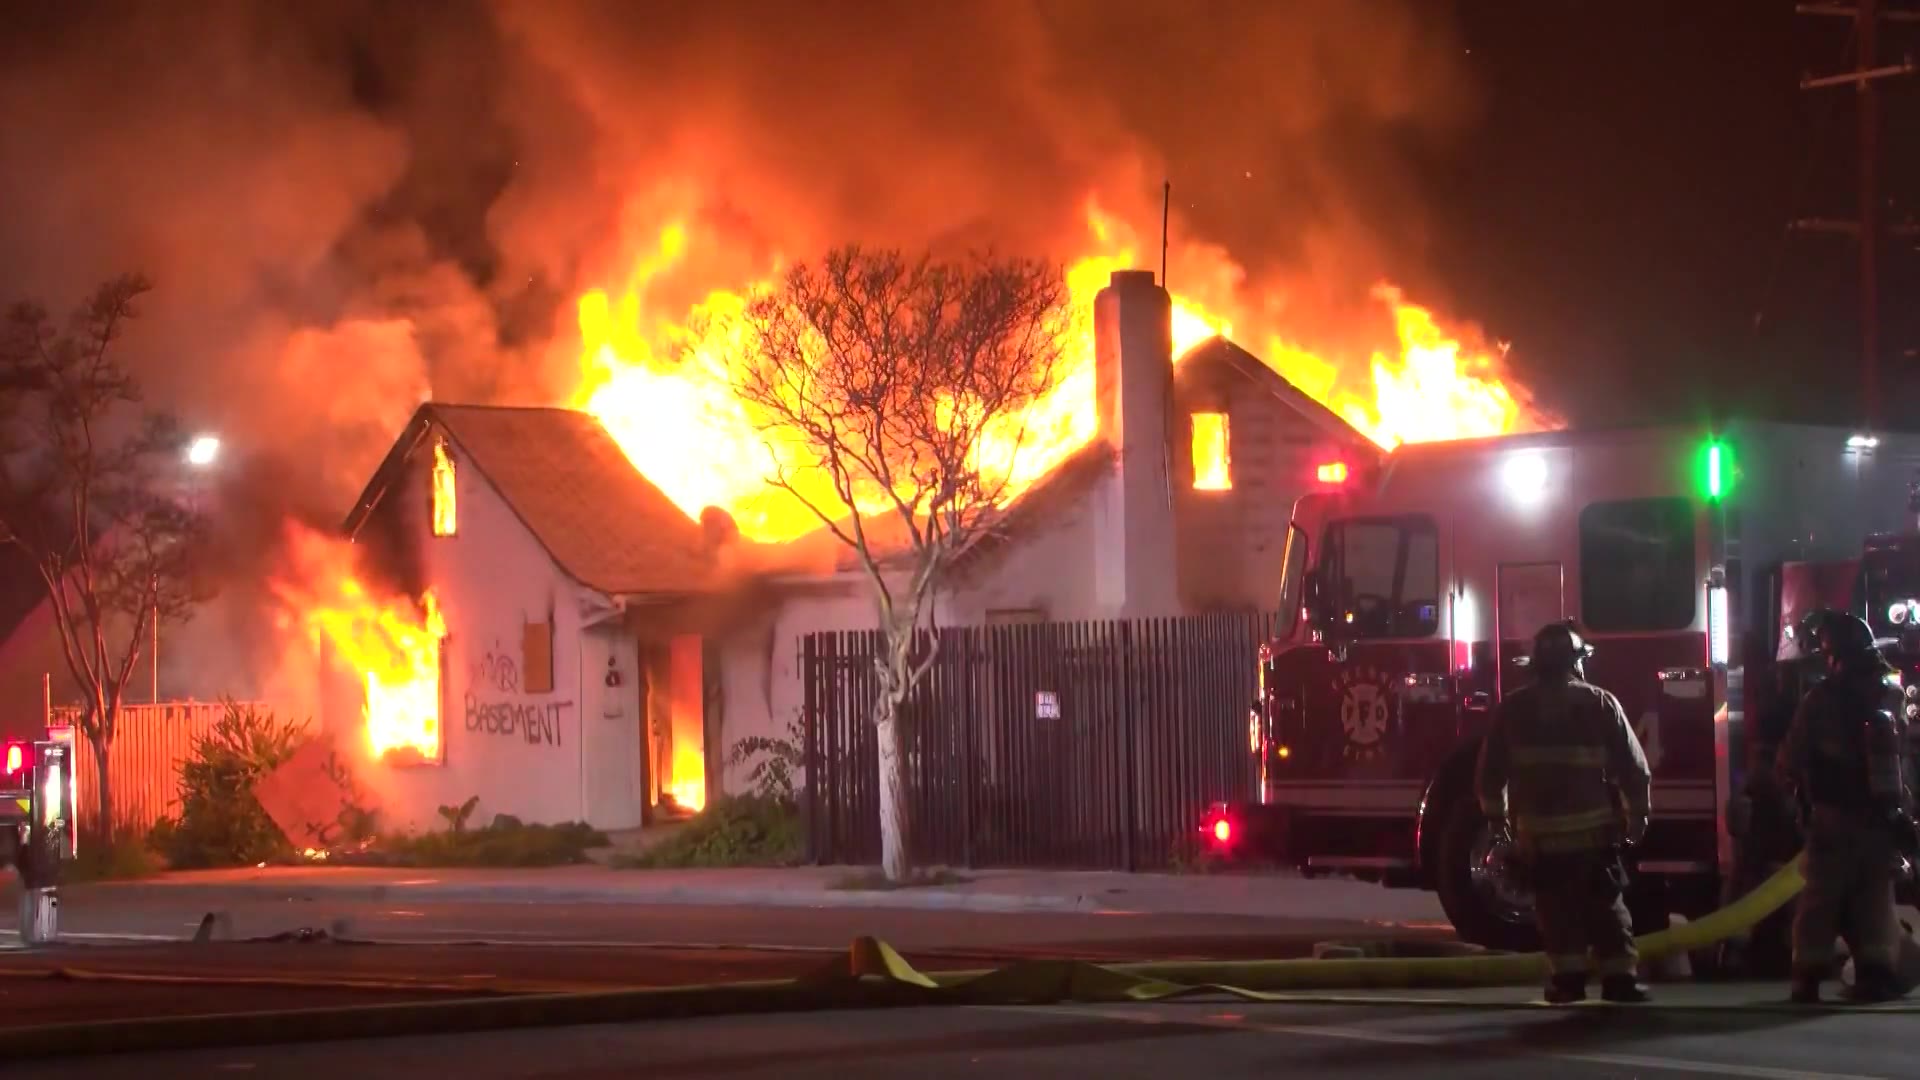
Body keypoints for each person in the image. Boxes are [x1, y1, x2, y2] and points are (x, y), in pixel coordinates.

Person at [1477, 619, 1655, 1004]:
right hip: (1594, 837)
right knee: (1606, 908)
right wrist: (1637, 815)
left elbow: (1490, 774)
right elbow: (1633, 766)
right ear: (1577, 661)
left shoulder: (1513, 709)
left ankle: (1568, 981)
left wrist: (1497, 822)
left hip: (1540, 838)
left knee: (1556, 912)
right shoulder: (1601, 702)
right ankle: (1619, 978)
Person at [1776, 612, 1919, 1004]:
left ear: (1832, 654)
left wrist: (1792, 797)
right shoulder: (1888, 695)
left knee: (1820, 900)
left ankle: (1806, 979)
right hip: (1881, 822)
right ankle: (1874, 974)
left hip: (1834, 821)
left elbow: (1790, 758)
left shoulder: (1819, 700)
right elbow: (1902, 763)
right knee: (1874, 901)